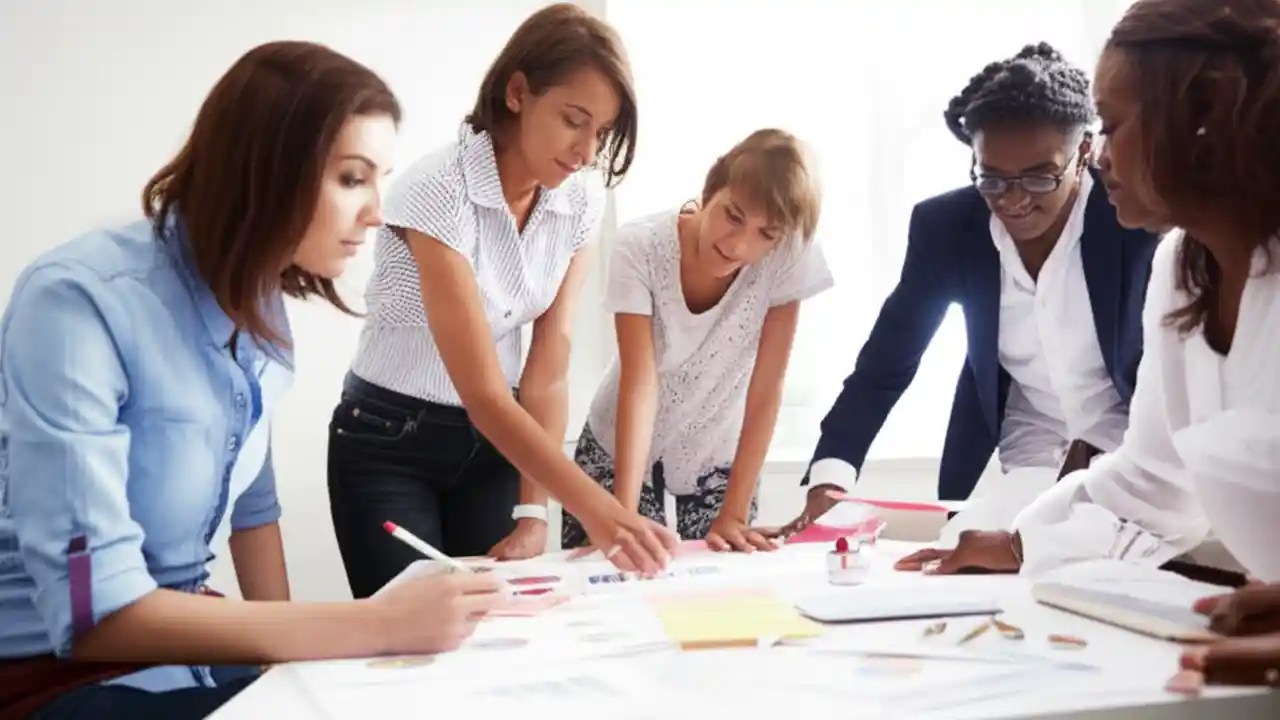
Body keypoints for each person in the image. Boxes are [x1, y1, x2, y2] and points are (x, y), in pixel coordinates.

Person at [0, 42, 504, 720]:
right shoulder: (77, 304)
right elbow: (96, 615)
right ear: (267, 171)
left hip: (178, 644)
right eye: (353, 178)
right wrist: (375, 623)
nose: (377, 212)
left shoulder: (259, 305)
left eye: (380, 179)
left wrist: (291, 670)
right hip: (49, 670)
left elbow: (254, 509)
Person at [895, 0, 1280, 690]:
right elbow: (1154, 479)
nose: (1096, 155)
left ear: (1206, 121)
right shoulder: (1178, 268)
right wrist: (1020, 542)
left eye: (1113, 125)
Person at [327, 3, 676, 599]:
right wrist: (597, 508)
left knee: (504, 637)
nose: (586, 151)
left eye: (602, 133)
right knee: (413, 642)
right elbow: (484, 392)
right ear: (518, 92)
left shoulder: (579, 201)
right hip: (390, 443)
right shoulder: (437, 190)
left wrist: (534, 512)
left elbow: (547, 365)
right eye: (574, 120)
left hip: (497, 449)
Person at [781, 43, 1159, 537]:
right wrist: (832, 477)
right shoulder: (947, 228)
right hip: (1034, 450)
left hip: (1136, 444)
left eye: (1041, 177)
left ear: (1083, 151)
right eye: (993, 178)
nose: (1014, 199)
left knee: (1103, 556)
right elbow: (886, 362)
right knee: (970, 546)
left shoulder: (1133, 219)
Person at [560, 129, 831, 552]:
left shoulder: (789, 256)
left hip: (716, 466)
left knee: (712, 598)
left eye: (766, 233)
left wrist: (735, 513)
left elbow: (766, 386)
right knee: (610, 585)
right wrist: (623, 515)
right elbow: (639, 381)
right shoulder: (640, 246)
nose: (739, 243)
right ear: (710, 191)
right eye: (733, 215)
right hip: (618, 455)